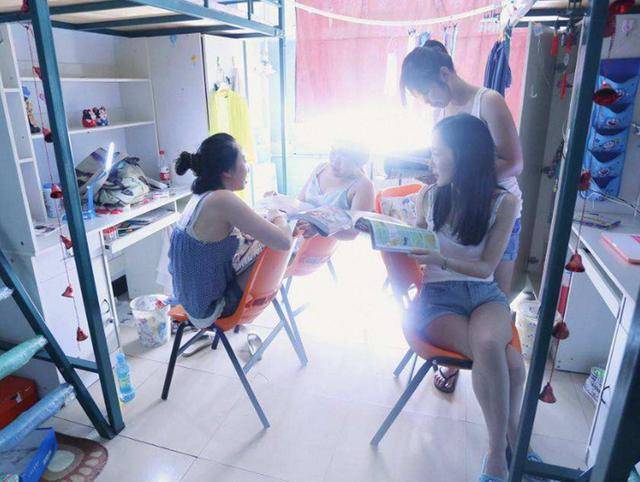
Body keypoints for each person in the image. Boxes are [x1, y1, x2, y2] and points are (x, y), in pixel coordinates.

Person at [400, 41, 524, 393]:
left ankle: (486, 359)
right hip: (458, 206)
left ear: (444, 74)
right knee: (482, 337)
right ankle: (455, 362)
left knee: (492, 298)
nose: (428, 102)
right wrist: (439, 173)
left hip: (495, 210)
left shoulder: (488, 101)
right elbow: (447, 157)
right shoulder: (442, 111)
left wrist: (465, 175)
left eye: (427, 93)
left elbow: (515, 162)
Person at [408, 114, 526, 481]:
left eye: (436, 153)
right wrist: (396, 236)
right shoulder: (428, 196)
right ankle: (506, 450)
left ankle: (500, 450)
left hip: (484, 294)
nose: (431, 161)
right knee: (509, 363)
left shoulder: (504, 203)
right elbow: (414, 243)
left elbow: (487, 267)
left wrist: (440, 258)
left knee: (495, 350)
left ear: (463, 155)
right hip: (438, 299)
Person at [169, 133, 292, 329]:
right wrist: (277, 213)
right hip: (211, 308)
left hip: (190, 299)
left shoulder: (201, 196)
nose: (247, 167)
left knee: (261, 239)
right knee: (281, 245)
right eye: (243, 159)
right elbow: (284, 242)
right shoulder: (222, 199)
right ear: (226, 171)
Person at [296, 140, 375, 239]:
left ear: (358, 162)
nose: (335, 161)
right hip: (301, 238)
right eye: (333, 152)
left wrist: (319, 228)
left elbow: (353, 232)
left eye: (344, 156)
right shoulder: (320, 168)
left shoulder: (363, 185)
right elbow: (299, 203)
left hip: (332, 244)